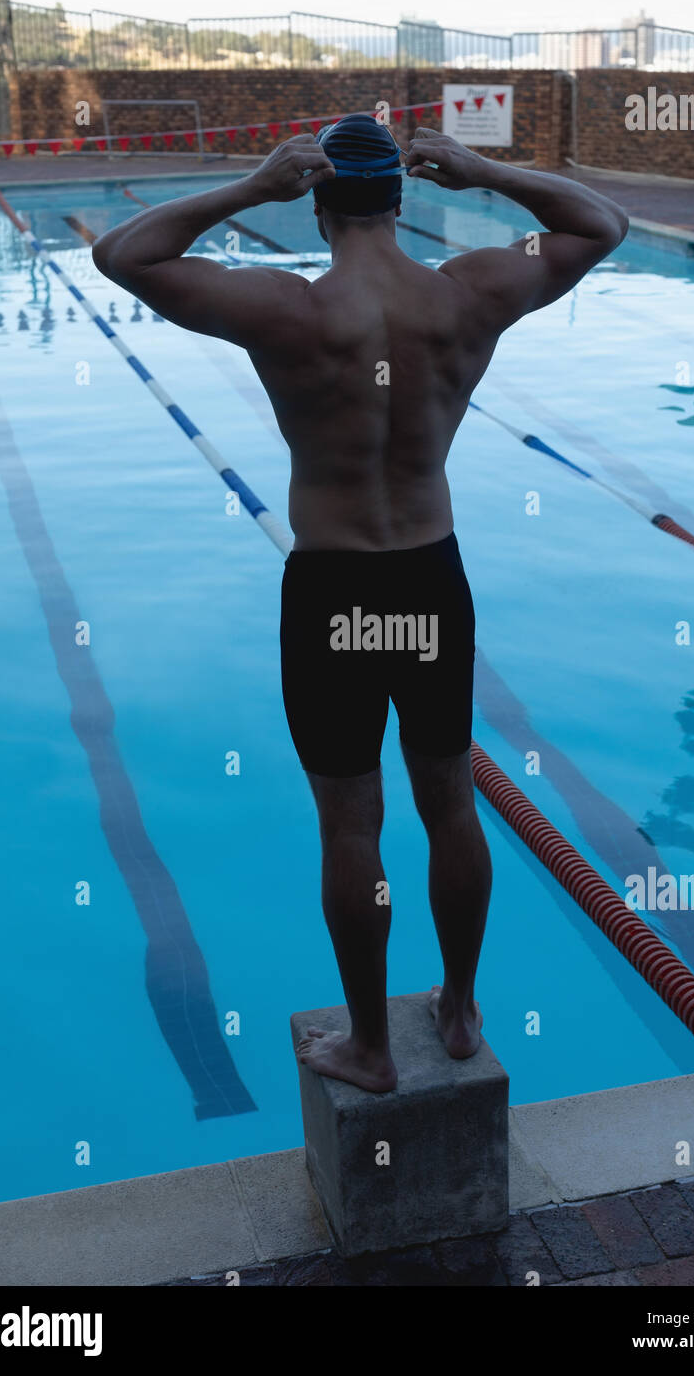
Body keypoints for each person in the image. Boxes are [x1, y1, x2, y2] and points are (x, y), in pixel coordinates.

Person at [92, 115, 628, 1092]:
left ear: (319, 201)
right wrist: (479, 170)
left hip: (333, 588)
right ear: (397, 199)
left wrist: (248, 189)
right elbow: (601, 224)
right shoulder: (469, 290)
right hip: (427, 575)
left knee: (351, 827)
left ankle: (373, 1048)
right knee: (449, 803)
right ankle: (459, 1008)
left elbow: (122, 252)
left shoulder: (284, 308)